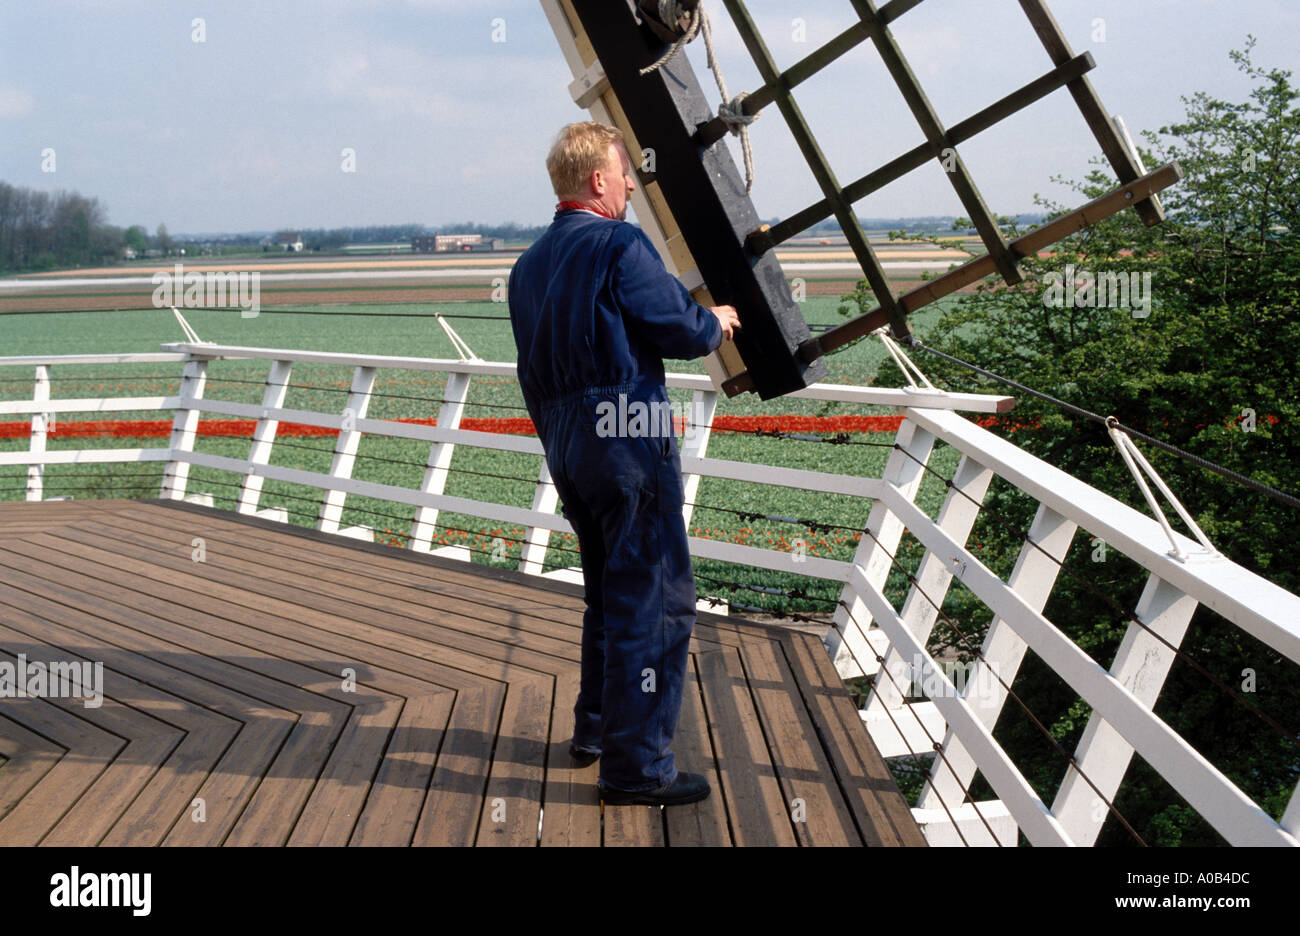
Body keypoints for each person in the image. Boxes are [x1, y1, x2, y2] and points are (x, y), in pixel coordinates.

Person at [507, 121, 741, 806]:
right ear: (598, 181)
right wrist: (716, 319)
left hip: (565, 443)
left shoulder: (527, 267)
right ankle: (636, 768)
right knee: (657, 600)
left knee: (608, 592)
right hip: (627, 435)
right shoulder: (618, 242)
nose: (633, 184)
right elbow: (674, 326)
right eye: (624, 173)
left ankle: (598, 730)